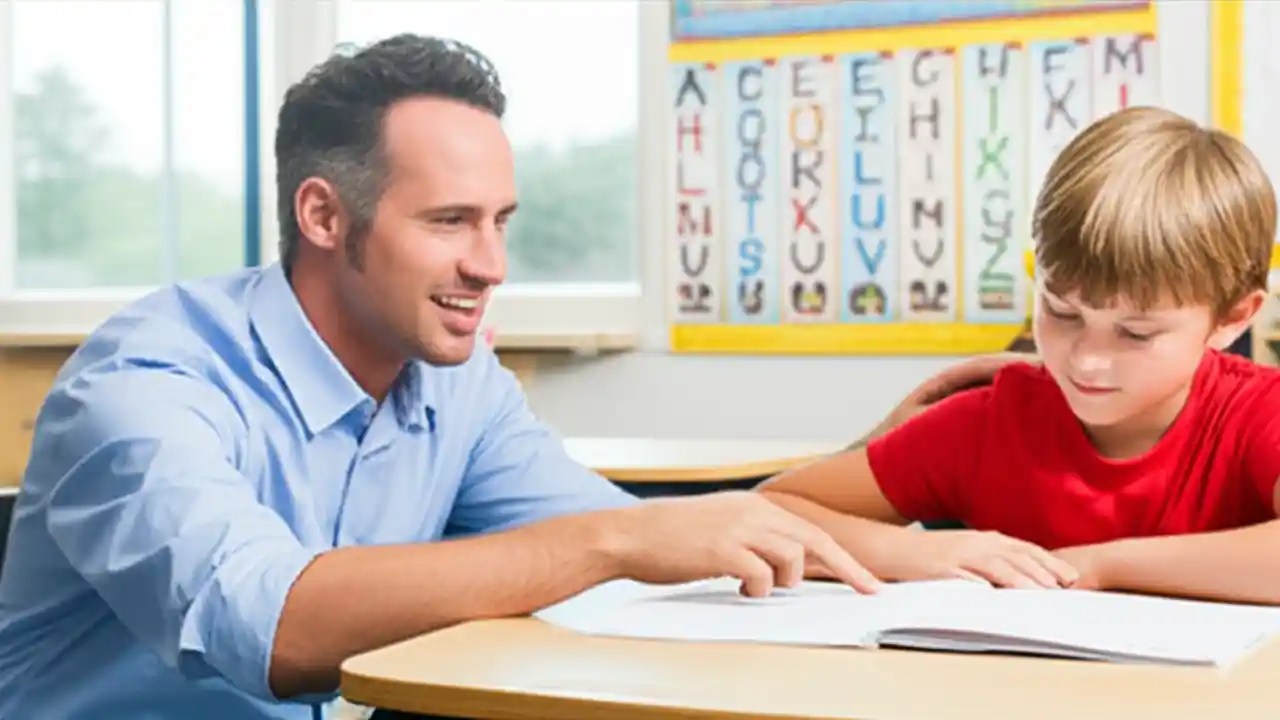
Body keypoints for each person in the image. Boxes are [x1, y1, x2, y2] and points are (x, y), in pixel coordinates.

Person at [0, 35, 1018, 719]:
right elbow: (272, 626)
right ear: (322, 217)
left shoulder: (454, 381)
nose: (489, 265)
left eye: (500, 222)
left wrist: (903, 551)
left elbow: (665, 546)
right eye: (448, 222)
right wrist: (619, 538)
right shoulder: (143, 383)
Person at [760, 105, 1280, 604]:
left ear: (1233, 317)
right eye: (1063, 312)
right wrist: (919, 550)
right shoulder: (987, 424)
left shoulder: (1259, 413)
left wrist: (1099, 567)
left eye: (1137, 333)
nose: (1087, 360)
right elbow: (764, 515)